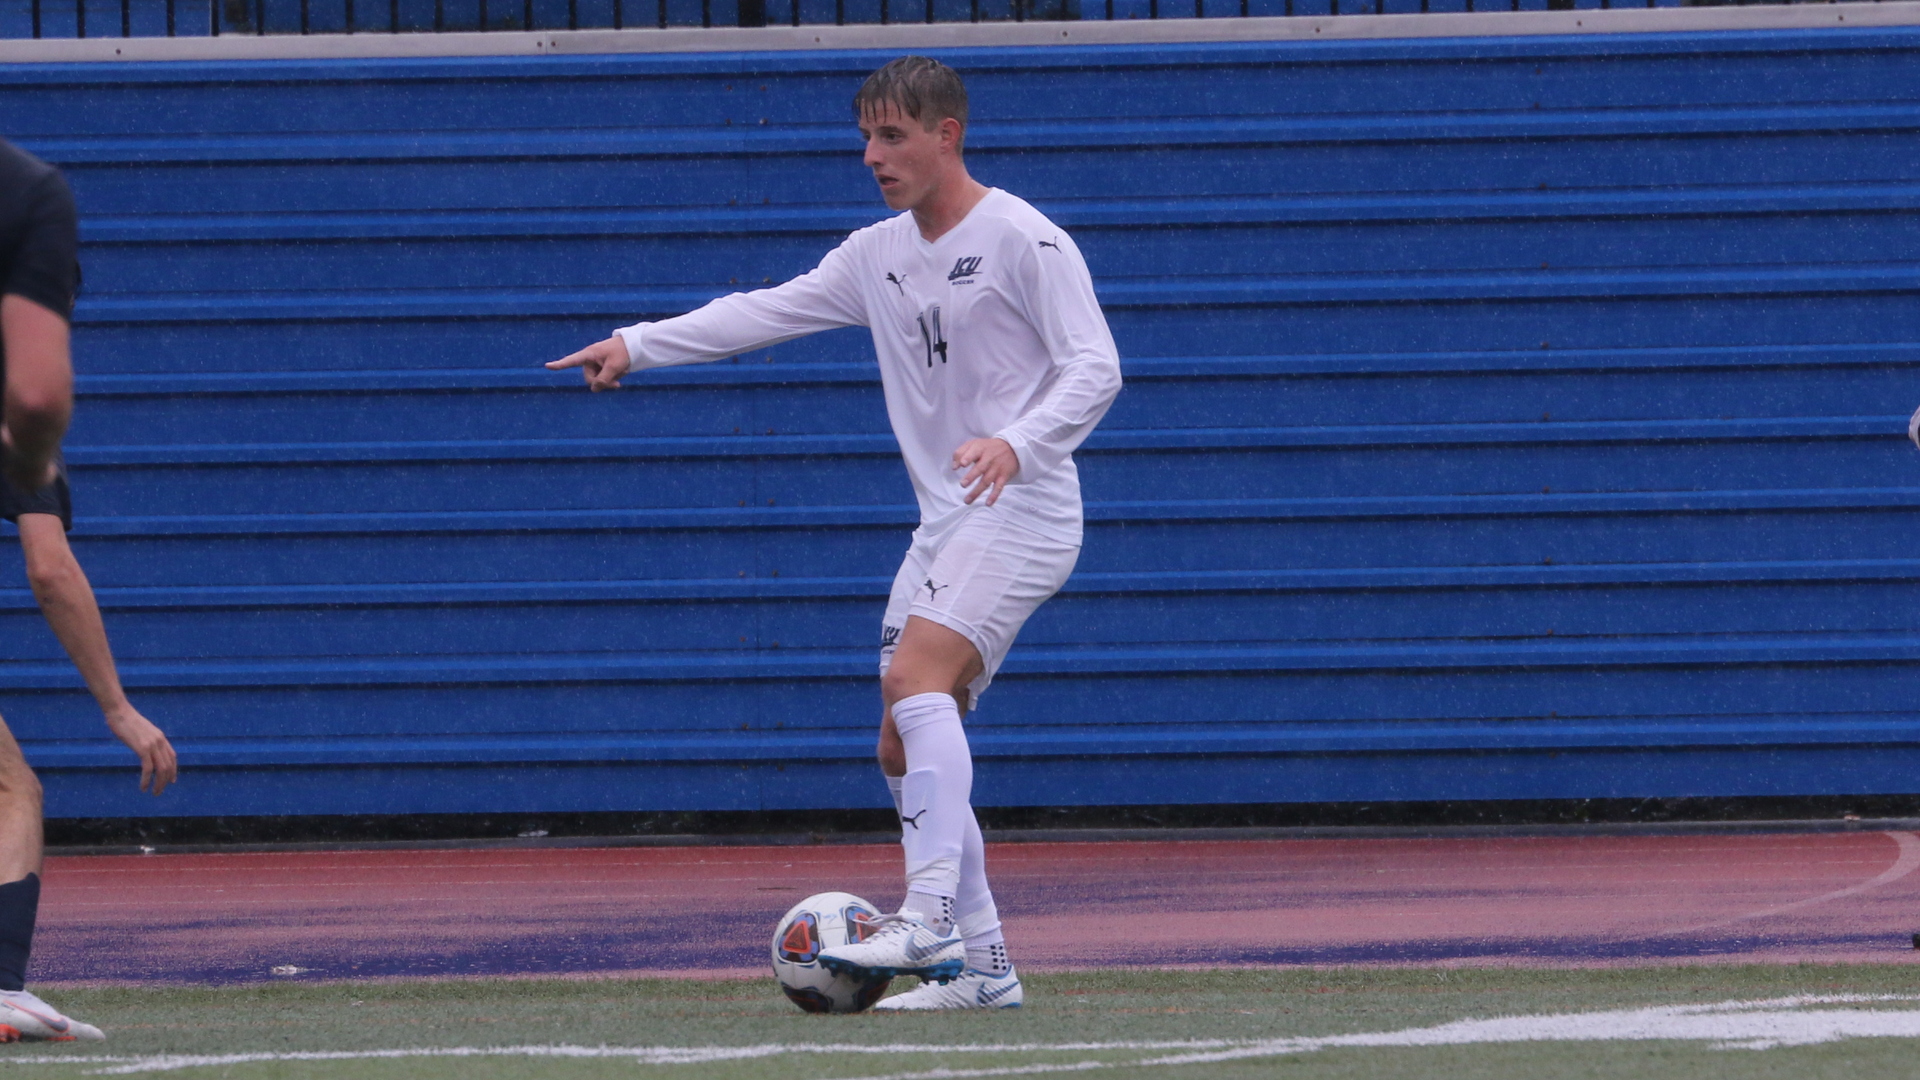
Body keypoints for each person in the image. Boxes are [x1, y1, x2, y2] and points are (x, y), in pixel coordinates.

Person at [549, 56, 1121, 1010]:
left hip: (1024, 509)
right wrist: (639, 344)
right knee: (901, 746)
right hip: (948, 525)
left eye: (894, 136)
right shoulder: (874, 254)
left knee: (915, 679)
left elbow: (1095, 368)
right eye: (865, 136)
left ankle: (929, 918)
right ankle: (985, 971)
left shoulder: (1026, 238)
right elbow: (763, 312)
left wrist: (1019, 444)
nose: (873, 156)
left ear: (949, 135)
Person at [0, 135, 177, 1042]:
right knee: (10, 790)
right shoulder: (20, 416)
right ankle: (0, 989)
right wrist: (117, 707)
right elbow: (48, 567)